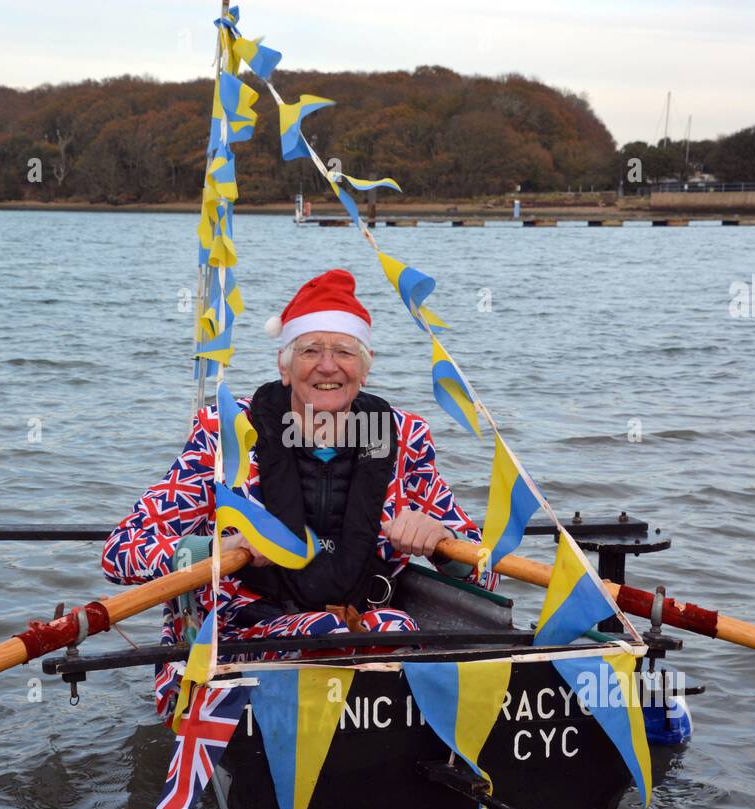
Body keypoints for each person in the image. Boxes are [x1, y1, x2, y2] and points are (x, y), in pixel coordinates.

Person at [102, 269, 491, 723]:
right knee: (341, 635)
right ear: (284, 367)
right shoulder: (226, 433)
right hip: (243, 639)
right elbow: (120, 553)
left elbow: (486, 574)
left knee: (395, 631)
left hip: (363, 634)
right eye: (310, 351)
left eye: (344, 351)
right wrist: (215, 549)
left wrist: (440, 537)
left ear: (364, 369)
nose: (328, 366)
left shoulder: (403, 438)